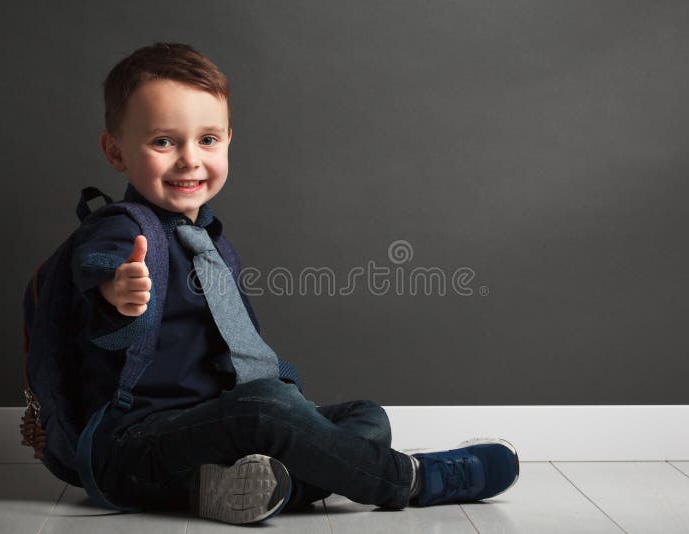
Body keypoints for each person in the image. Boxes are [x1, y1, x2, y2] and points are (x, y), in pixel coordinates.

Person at [71, 41, 519, 525]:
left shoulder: (208, 240)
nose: (189, 159)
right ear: (115, 150)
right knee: (267, 410)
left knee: (365, 418)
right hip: (135, 445)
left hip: (216, 427)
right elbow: (97, 268)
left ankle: (253, 487)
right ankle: (413, 478)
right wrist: (120, 289)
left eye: (207, 139)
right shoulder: (121, 228)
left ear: (228, 140)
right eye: (164, 142)